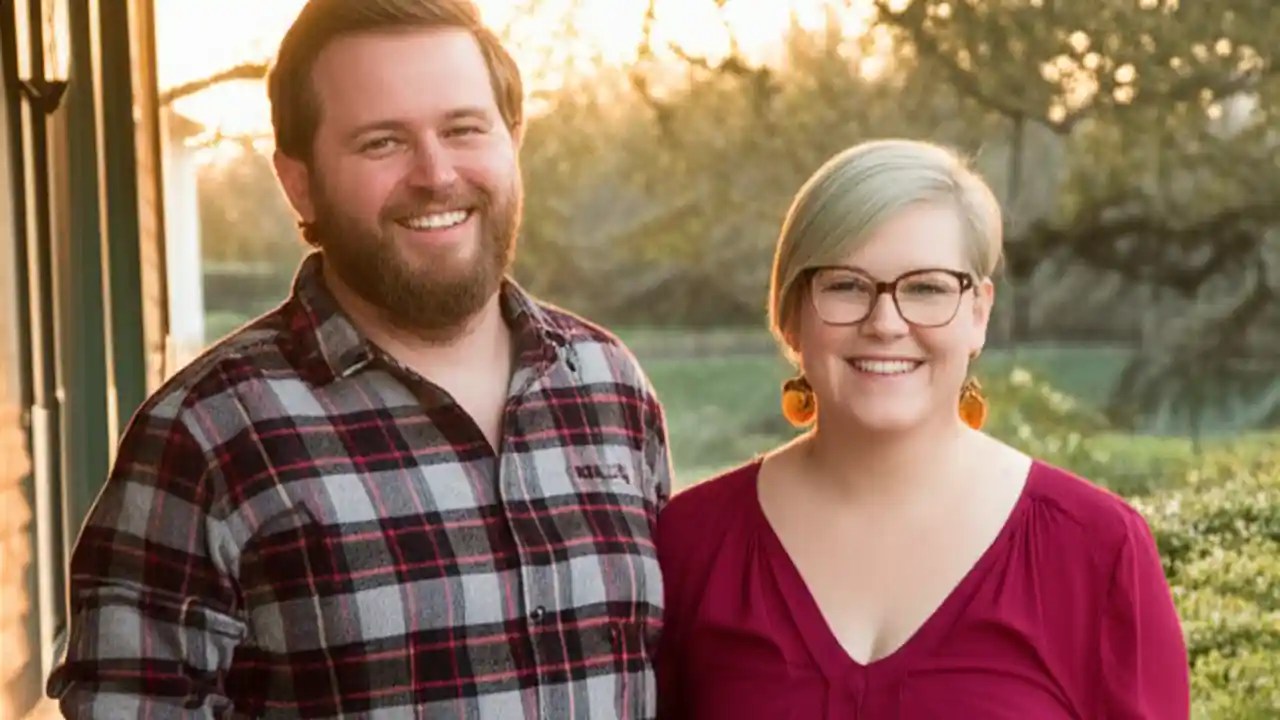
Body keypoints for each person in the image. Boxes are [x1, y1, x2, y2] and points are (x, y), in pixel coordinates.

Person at [47, 1, 671, 717]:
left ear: (513, 139)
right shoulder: (208, 434)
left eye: (464, 128)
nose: (436, 174)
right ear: (300, 181)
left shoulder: (609, 389)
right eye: (382, 143)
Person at [654, 139, 1190, 719]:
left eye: (927, 288)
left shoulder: (1098, 551)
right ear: (791, 315)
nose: (885, 323)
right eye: (845, 285)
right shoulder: (690, 546)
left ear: (979, 314)